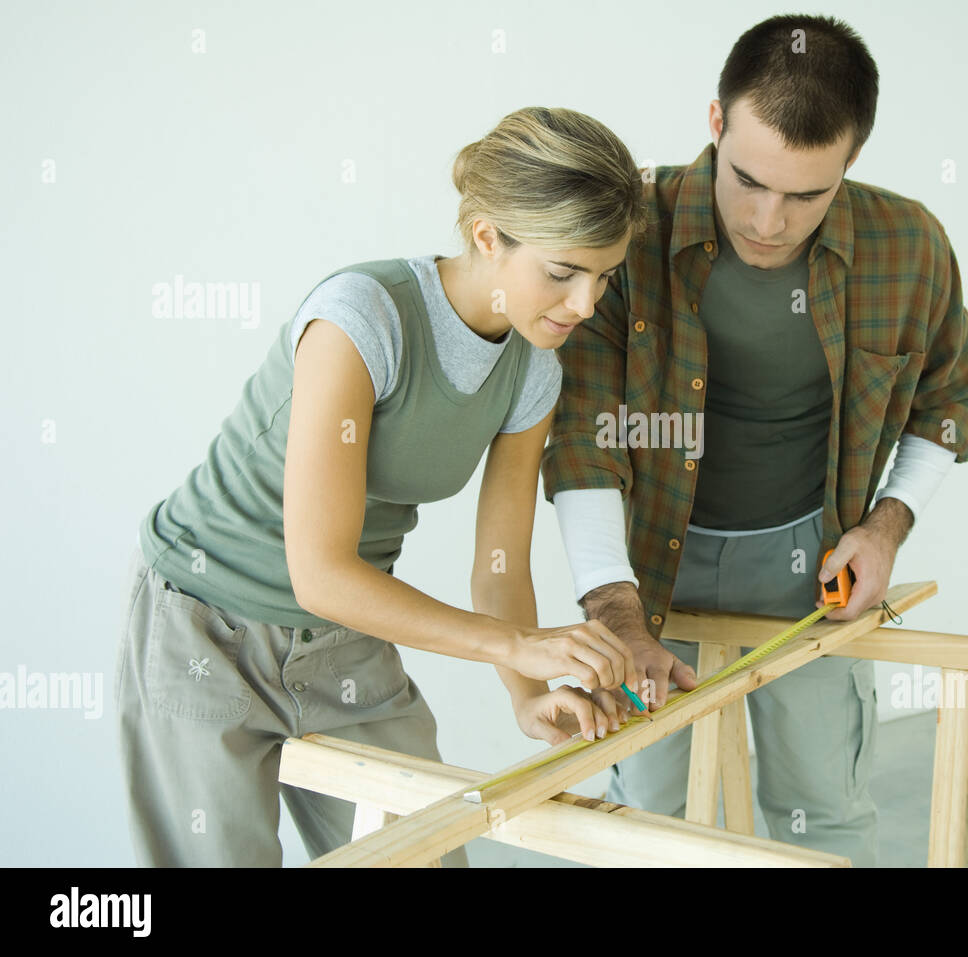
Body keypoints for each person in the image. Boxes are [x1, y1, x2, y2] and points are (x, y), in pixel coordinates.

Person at [115, 106, 647, 867]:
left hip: (343, 641)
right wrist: (517, 645)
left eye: (604, 276)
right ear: (487, 236)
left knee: (424, 852)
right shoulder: (362, 318)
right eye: (563, 272)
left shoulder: (534, 369)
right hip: (203, 625)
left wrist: (527, 692)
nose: (585, 304)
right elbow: (321, 569)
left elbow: (499, 565)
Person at [540, 14, 968, 867]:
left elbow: (950, 399)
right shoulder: (622, 232)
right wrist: (618, 616)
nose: (770, 220)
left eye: (806, 194)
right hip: (645, 575)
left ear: (850, 162)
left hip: (808, 564)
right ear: (715, 122)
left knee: (824, 806)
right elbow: (584, 441)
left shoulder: (911, 244)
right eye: (747, 180)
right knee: (647, 812)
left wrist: (885, 527)